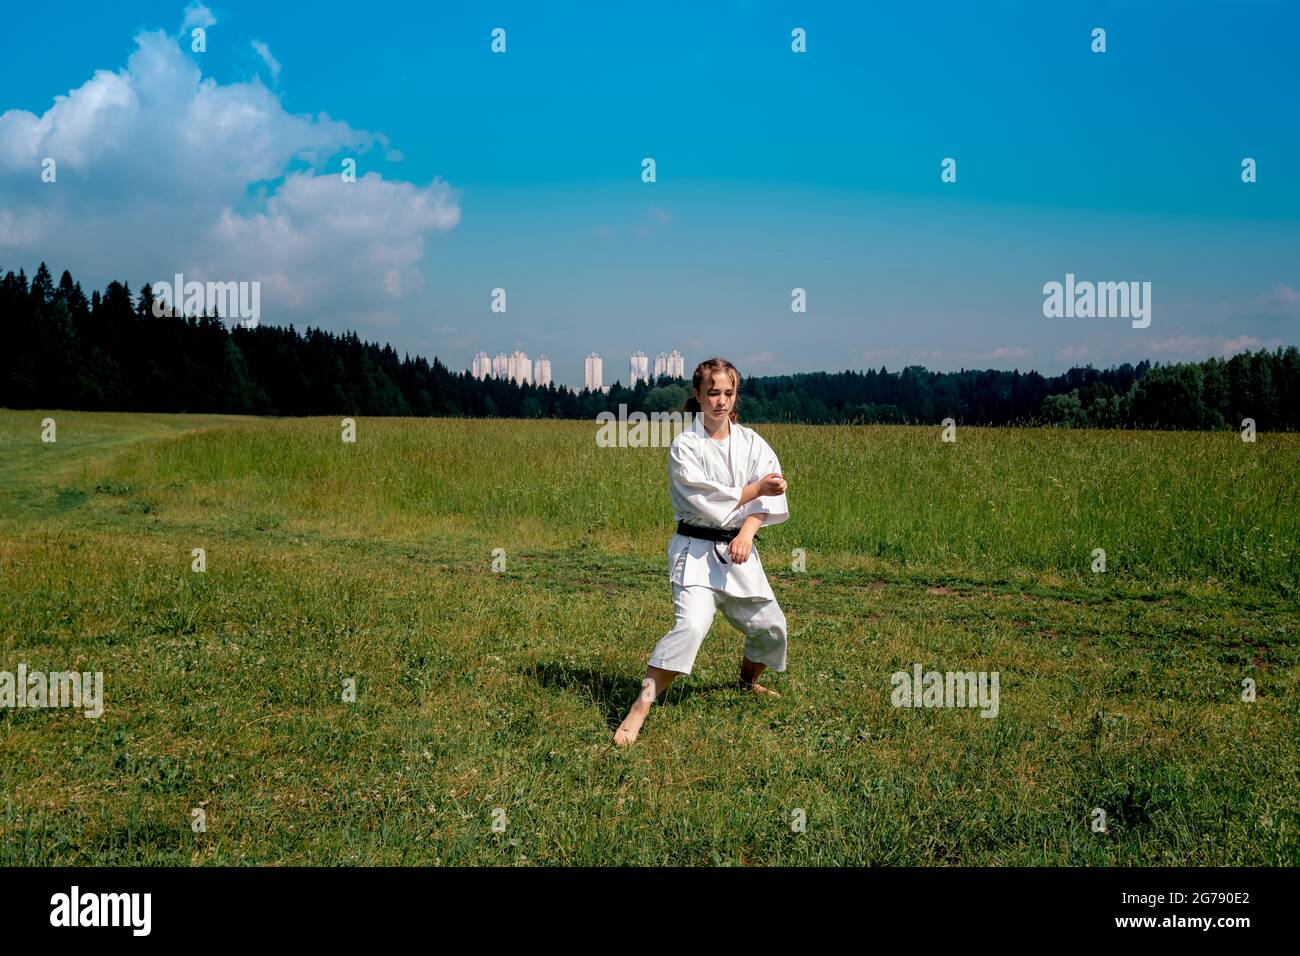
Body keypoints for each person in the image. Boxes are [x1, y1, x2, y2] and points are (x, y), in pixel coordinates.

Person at [613, 357, 790, 747]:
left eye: (728, 393)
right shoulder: (685, 445)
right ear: (698, 395)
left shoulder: (751, 442)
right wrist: (757, 489)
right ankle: (639, 709)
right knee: (690, 628)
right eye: (713, 393)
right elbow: (706, 498)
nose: (721, 401)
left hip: (739, 552)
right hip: (694, 552)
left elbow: (770, 491)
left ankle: (746, 683)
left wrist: (748, 530)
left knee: (772, 628)